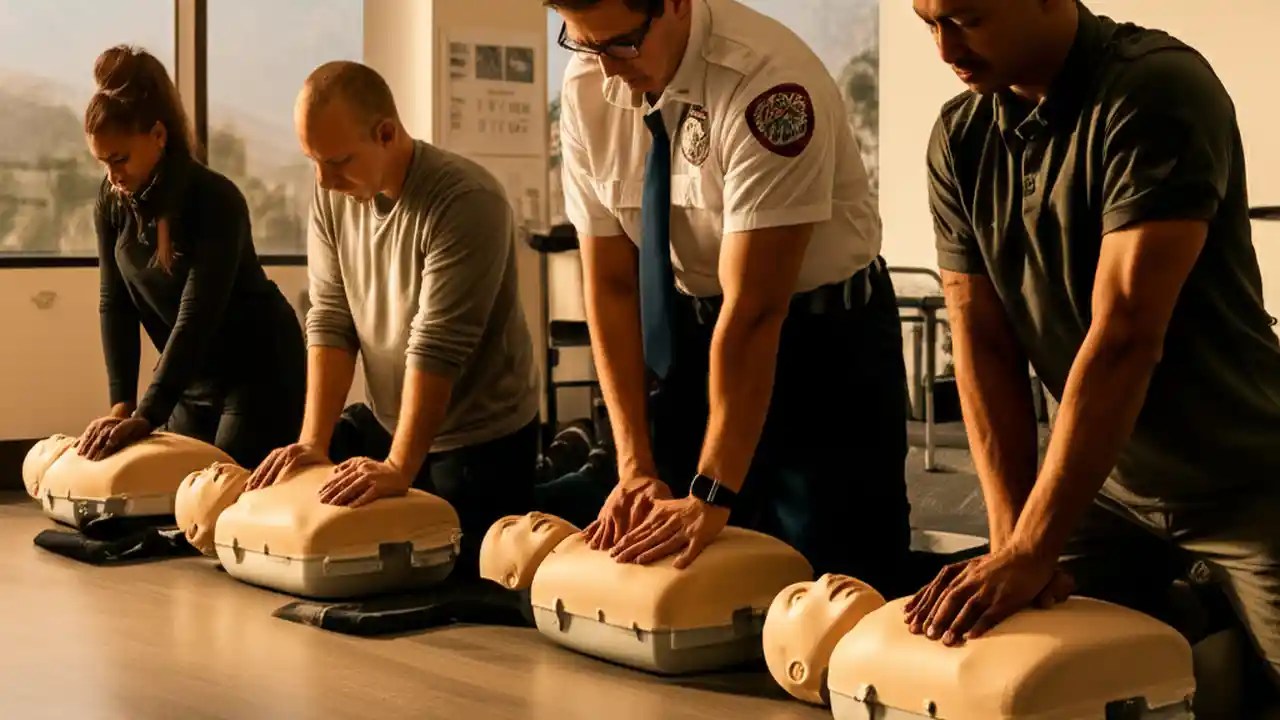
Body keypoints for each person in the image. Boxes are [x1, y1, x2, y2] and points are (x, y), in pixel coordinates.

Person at [903, 0, 1280, 703]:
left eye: (966, 19)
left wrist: (1030, 550)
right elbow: (981, 344)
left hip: (1247, 483)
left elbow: (1125, 336)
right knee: (1008, 669)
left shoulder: (1156, 89)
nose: (944, 48)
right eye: (927, 22)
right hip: (1104, 492)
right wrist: (1013, 541)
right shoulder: (960, 136)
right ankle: (1197, 618)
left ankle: (1210, 623)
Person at [546, 0, 913, 595]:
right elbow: (612, 285)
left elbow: (755, 313)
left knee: (836, 587)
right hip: (697, 336)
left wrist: (713, 490)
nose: (606, 69)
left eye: (620, 45)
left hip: (821, 346)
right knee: (688, 577)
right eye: (583, 44)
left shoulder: (768, 81)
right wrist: (636, 463)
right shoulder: (591, 82)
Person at [244, 61, 541, 578]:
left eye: (337, 161)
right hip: (391, 422)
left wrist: (402, 468)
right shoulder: (330, 192)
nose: (324, 180)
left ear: (386, 134)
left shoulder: (467, 200)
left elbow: (437, 345)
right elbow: (331, 317)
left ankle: (583, 481)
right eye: (313, 161)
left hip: (478, 435)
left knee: (468, 568)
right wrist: (313, 444)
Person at [78, 45, 306, 468]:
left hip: (258, 371)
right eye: (102, 162)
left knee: (224, 494)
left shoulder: (215, 199)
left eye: (120, 159)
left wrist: (149, 414)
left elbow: (195, 315)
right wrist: (121, 406)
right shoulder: (112, 201)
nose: (113, 175)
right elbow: (115, 305)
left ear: (158, 136)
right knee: (172, 499)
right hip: (191, 380)